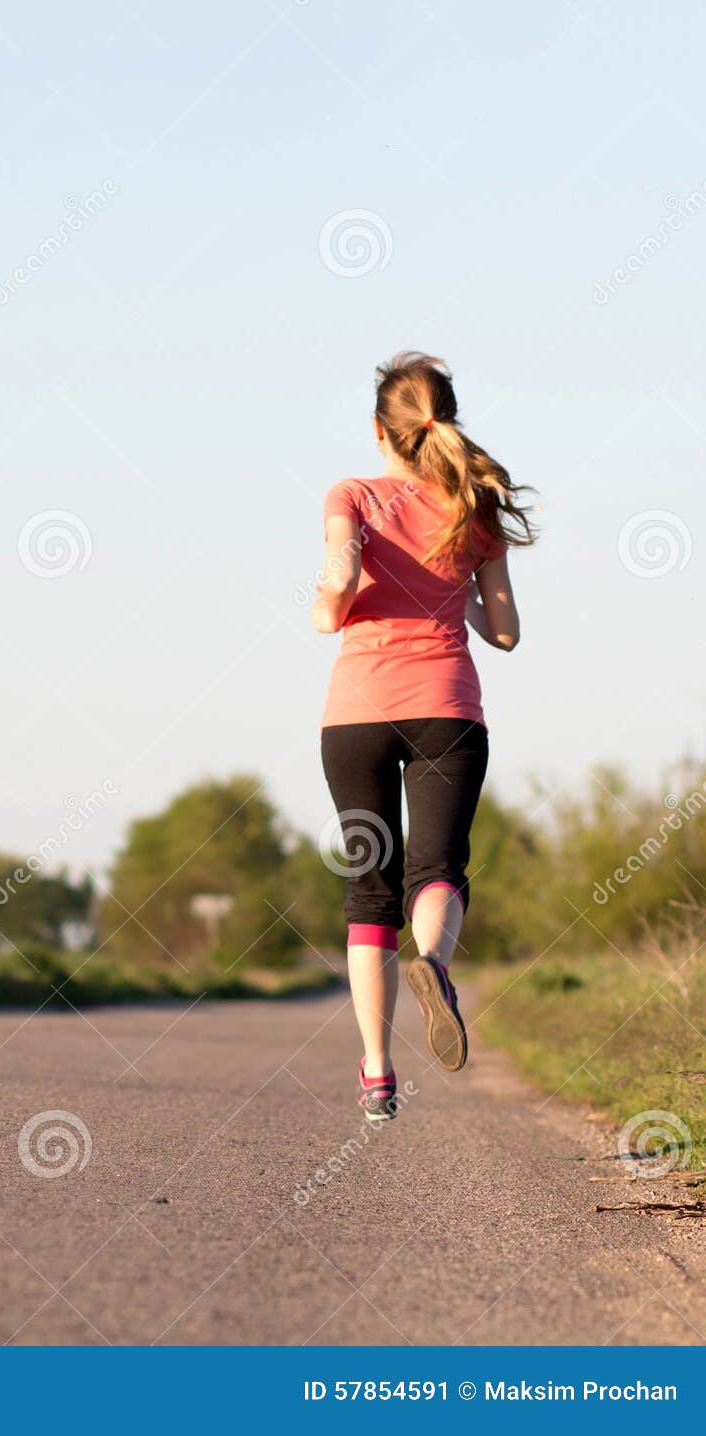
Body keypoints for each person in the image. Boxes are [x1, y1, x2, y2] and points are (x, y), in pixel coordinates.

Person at [311, 352, 535, 1121]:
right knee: (438, 869)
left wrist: (324, 608)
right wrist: (459, 597)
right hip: (446, 708)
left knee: (368, 887)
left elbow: (339, 581)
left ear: (380, 430)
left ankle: (377, 1074)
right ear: (446, 420)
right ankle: (432, 963)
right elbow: (503, 631)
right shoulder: (474, 507)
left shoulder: (353, 493)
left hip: (356, 715)